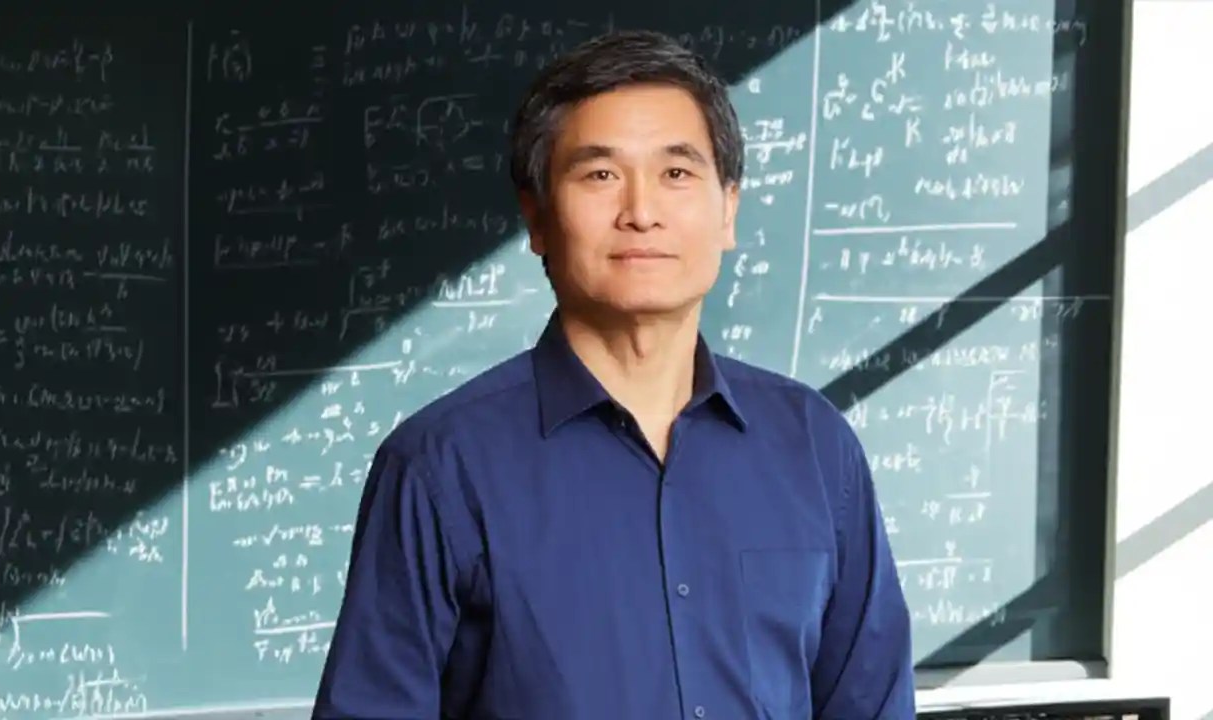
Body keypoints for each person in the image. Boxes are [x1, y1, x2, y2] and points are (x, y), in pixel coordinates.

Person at [314, 29, 915, 720]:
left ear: (728, 209)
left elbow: (871, 706)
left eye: (677, 173)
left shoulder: (815, 446)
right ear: (536, 218)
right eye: (600, 174)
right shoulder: (439, 468)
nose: (641, 212)